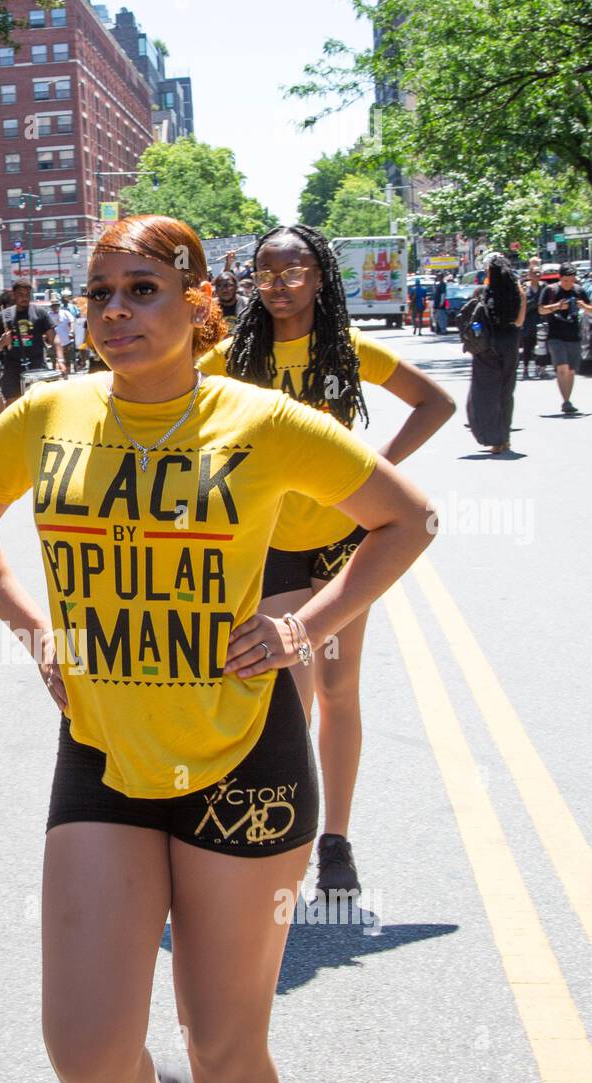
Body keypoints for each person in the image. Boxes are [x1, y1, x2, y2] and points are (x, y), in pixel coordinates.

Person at [0, 214, 435, 1083]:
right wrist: (34, 631)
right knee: (82, 1052)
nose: (114, 312)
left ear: (197, 301)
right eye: (98, 292)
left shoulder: (260, 422)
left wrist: (304, 623)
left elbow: (405, 521)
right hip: (102, 753)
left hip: (245, 758)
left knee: (226, 1038)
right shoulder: (44, 415)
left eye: (141, 291)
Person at [198, 224, 454, 901]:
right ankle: (287, 833)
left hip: (343, 542)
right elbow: (166, 420)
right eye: (265, 272)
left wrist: (376, 473)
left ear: (320, 277)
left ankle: (336, 843)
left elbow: (439, 402)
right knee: (290, 693)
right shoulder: (228, 359)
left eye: (294, 270)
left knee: (339, 689)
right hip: (270, 543)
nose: (279, 284)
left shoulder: (349, 350)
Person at [465, 254, 526, 454]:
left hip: (488, 344)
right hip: (510, 341)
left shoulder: (484, 292)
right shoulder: (517, 292)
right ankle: (505, 438)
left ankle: (493, 437)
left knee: (485, 392)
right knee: (506, 391)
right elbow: (519, 320)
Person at [0, 277, 56, 410]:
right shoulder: (4, 316)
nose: (25, 298)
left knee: (39, 406)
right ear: (13, 295)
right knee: (13, 408)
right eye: (21, 295)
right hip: (12, 367)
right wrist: (2, 342)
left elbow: (53, 337)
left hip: (36, 365)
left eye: (27, 295)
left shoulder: (39, 312)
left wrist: (60, 357)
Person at [539, 263, 592, 415]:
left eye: (571, 280)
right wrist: (557, 306)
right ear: (560, 278)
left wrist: (582, 306)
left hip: (574, 335)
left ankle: (567, 399)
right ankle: (566, 401)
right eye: (566, 280)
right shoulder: (550, 290)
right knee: (562, 368)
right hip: (555, 335)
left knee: (571, 370)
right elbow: (541, 309)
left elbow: (590, 310)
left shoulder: (579, 290)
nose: (569, 283)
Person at [520, 258, 545, 380]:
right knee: (527, 347)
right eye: (535, 273)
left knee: (542, 347)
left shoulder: (544, 287)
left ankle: (541, 368)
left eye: (539, 272)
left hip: (541, 322)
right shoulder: (525, 287)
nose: (537, 275)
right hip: (528, 322)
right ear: (529, 275)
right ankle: (525, 369)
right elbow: (522, 304)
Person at [212, 270, 246, 336]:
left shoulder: (247, 305)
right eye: (219, 286)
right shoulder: (210, 308)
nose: (224, 290)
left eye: (228, 285)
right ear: (216, 290)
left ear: (236, 287)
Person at [49, 297, 74, 374]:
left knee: (67, 360)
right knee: (54, 360)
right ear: (51, 307)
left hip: (66, 341)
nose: (55, 307)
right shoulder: (48, 315)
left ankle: (68, 376)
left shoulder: (65, 313)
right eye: (53, 306)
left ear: (59, 305)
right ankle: (55, 375)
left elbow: (72, 322)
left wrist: (71, 331)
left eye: (56, 305)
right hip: (54, 342)